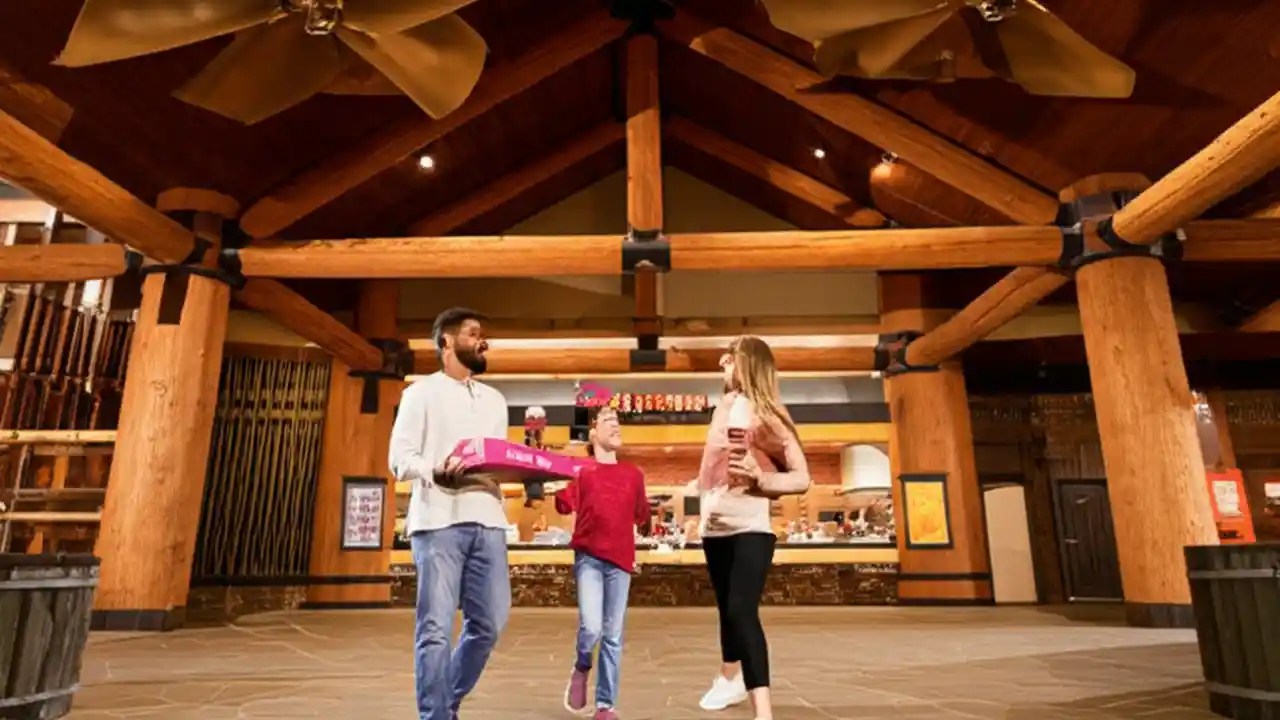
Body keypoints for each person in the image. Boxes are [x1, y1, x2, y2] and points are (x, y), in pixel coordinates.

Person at [388, 307, 510, 720]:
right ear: (446, 342)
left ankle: (446, 700)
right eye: (474, 334)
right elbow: (399, 459)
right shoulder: (419, 393)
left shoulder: (495, 400)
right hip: (437, 521)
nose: (483, 341)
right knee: (436, 630)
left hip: (489, 521)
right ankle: (436, 715)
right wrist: (434, 470)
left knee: (490, 624)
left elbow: (496, 458)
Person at [693, 336, 810, 720]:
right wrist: (701, 504)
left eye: (732, 356)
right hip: (716, 529)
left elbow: (801, 478)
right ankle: (729, 679)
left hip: (751, 527)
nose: (723, 361)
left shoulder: (767, 414)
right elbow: (713, 472)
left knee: (743, 610)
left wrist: (762, 478)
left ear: (749, 364)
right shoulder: (722, 409)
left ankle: (763, 710)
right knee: (727, 610)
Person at [554, 406, 650, 720]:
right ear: (593, 433)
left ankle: (605, 705)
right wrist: (557, 474)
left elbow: (641, 515)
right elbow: (562, 502)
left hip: (621, 562)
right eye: (608, 421)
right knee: (592, 628)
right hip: (590, 559)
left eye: (618, 422)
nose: (616, 426)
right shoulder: (582, 472)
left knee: (613, 635)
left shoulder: (634, 474)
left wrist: (646, 525)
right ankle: (582, 665)